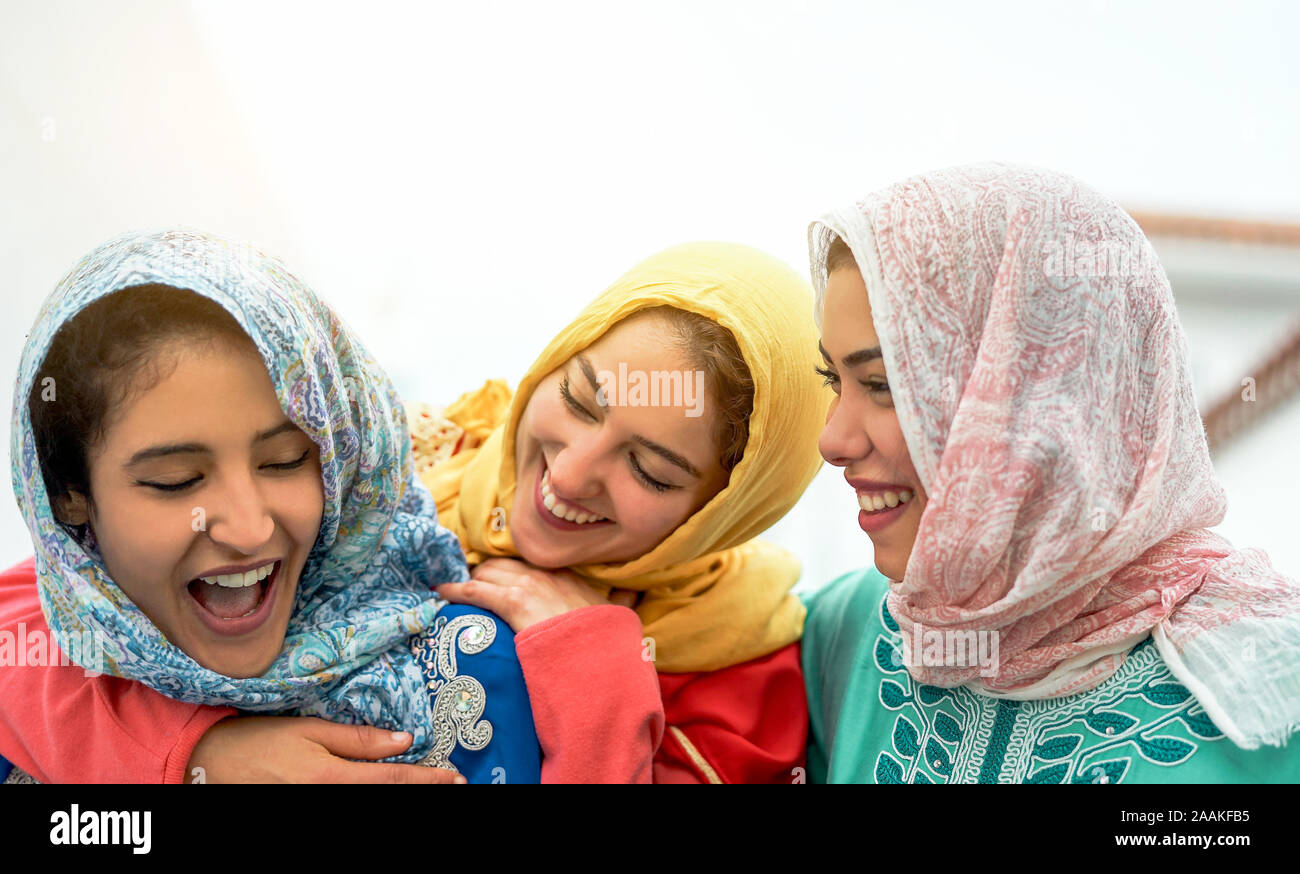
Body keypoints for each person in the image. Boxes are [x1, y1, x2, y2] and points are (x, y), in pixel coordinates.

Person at [2, 238, 829, 783]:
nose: (571, 474)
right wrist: (201, 758)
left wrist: (598, 671)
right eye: (577, 399)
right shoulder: (393, 476)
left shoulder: (740, 668)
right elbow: (25, 627)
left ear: (732, 506)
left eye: (649, 470)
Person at [800, 162, 1300, 783]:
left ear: (1045, 399)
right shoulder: (844, 639)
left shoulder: (1262, 694)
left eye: (884, 385)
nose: (832, 440)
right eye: (833, 379)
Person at [1, 229, 540, 783]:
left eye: (283, 461)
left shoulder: (477, 668)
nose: (250, 528)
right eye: (177, 480)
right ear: (67, 497)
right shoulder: (33, 678)